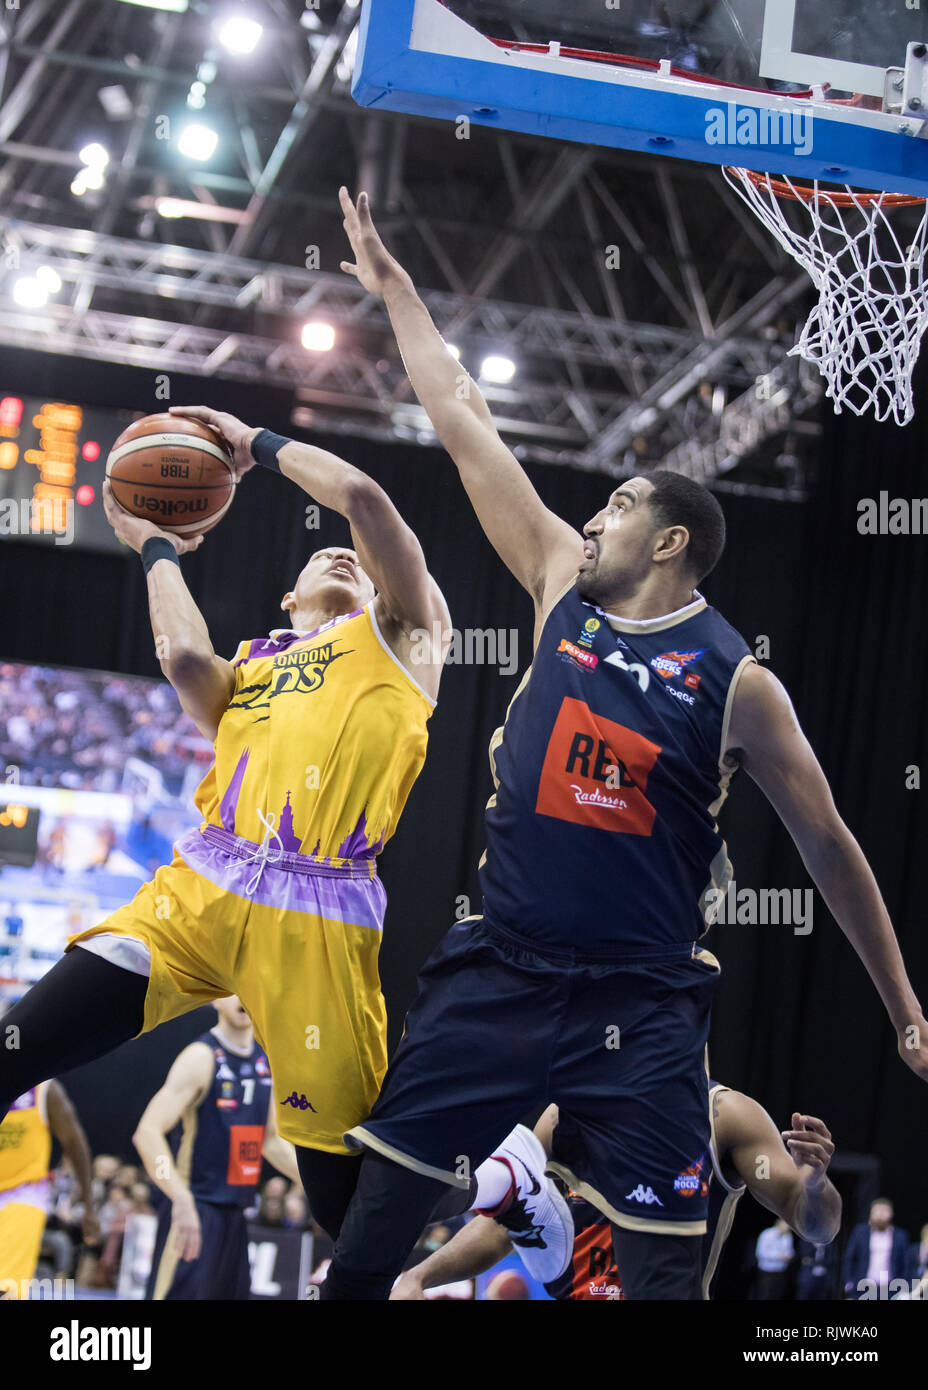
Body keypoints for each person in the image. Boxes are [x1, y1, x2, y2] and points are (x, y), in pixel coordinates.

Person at [315, 189, 928, 1302]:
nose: (591, 519)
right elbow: (460, 416)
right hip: (498, 970)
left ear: (671, 540)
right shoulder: (557, 586)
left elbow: (833, 847)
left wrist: (902, 1006)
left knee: (660, 1279)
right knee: (367, 1248)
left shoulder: (740, 682)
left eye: (618, 504)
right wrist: (398, 291)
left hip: (640, 1007)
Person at [0, 416, 450, 1246]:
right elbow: (179, 658)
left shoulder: (402, 634)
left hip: (318, 918)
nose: (340, 555)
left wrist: (257, 444)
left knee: (343, 1208)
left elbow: (362, 498)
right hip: (198, 893)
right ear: (287, 599)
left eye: (346, 554)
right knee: (13, 1049)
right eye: (321, 557)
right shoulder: (252, 670)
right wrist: (153, 546)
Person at [393, 1086, 840, 1301]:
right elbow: (509, 1223)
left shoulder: (726, 1116)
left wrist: (816, 1184)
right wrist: (419, 1277)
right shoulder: (565, 1115)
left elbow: (816, 1228)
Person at [134, 995, 299, 1300]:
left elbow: (271, 1141)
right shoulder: (201, 1056)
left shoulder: (266, 1060)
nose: (244, 996)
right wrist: (179, 1197)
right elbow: (147, 1132)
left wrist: (311, 1183)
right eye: (233, 989)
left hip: (236, 1213)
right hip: (194, 1208)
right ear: (215, 999)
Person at [0, 1079, 100, 1298]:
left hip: (23, 1193)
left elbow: (74, 1141)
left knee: (5, 1286)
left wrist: (89, 1206)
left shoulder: (45, 1090)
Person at [842, 1197, 912, 1298]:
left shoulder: (900, 1235)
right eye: (877, 1211)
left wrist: (903, 1286)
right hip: (862, 1287)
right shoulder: (860, 1232)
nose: (880, 1214)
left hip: (889, 1288)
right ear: (871, 1213)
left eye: (884, 1211)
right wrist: (849, 1282)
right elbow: (849, 1258)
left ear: (891, 1213)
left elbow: (905, 1263)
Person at [754, 1218, 795, 1299]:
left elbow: (790, 1250)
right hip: (767, 1270)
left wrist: (790, 1256)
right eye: (785, 1225)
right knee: (766, 1294)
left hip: (781, 1270)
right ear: (779, 1224)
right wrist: (779, 1256)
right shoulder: (767, 1234)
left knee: (777, 1294)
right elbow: (760, 1253)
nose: (787, 1228)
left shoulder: (788, 1236)